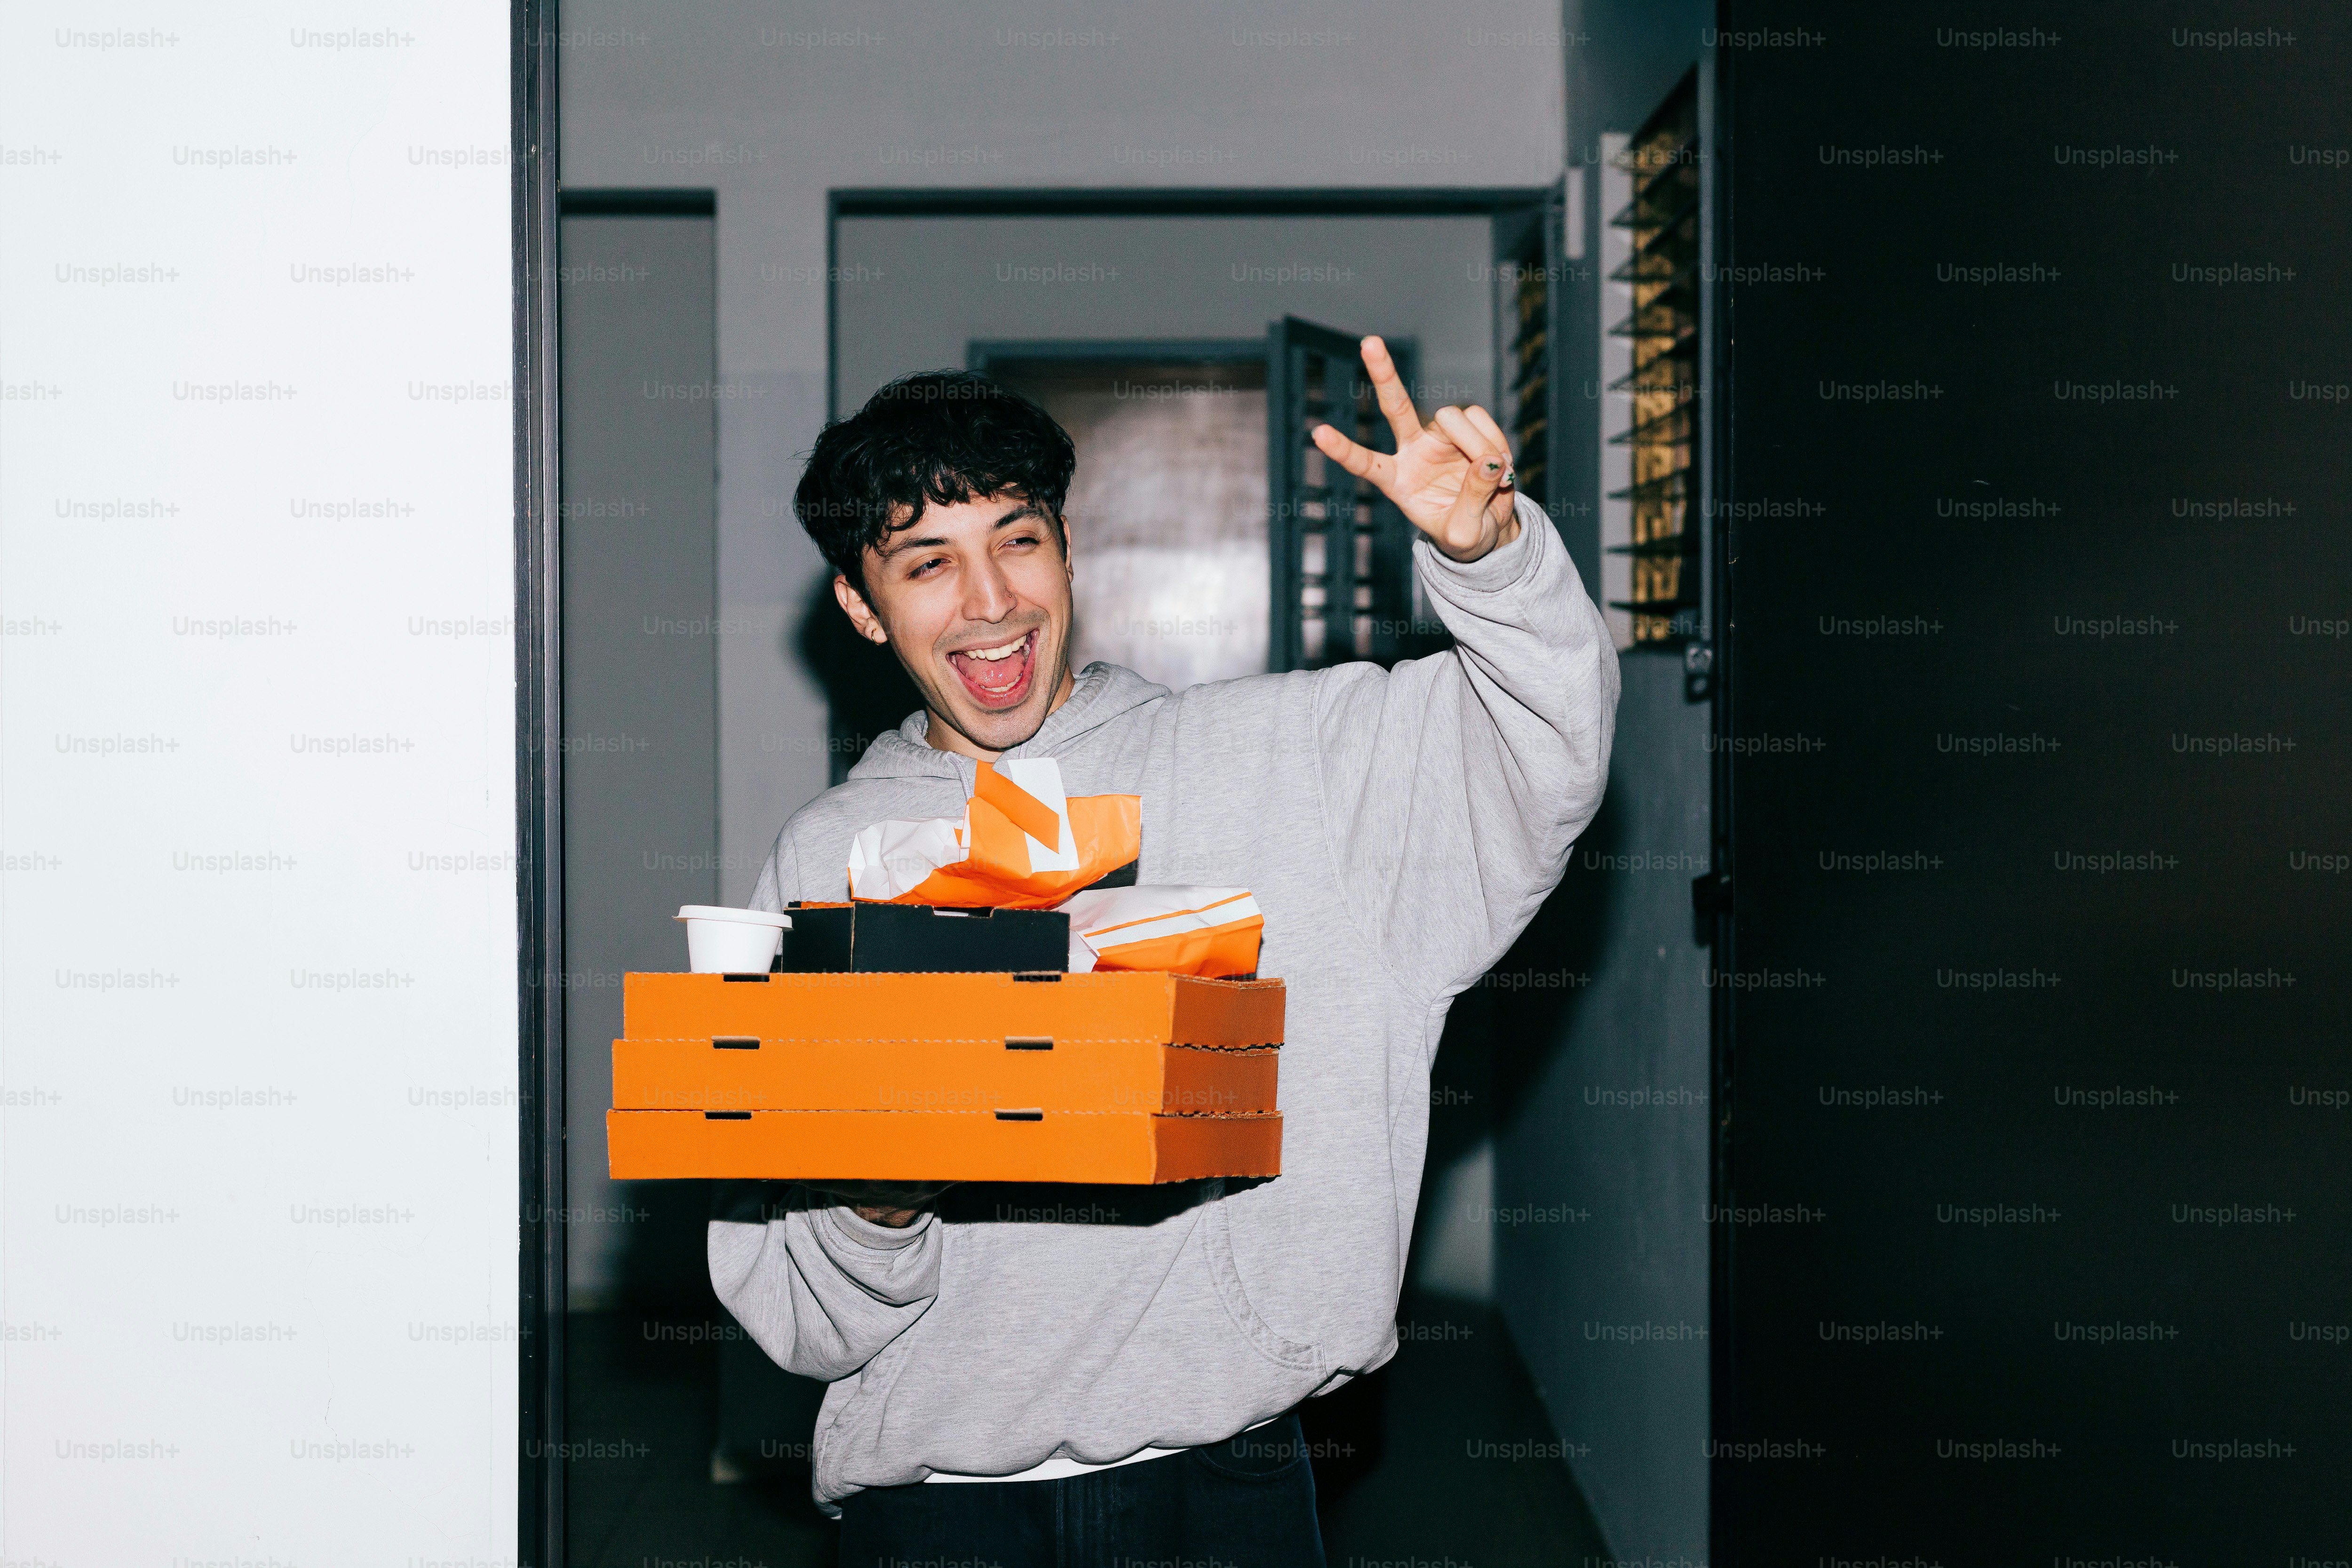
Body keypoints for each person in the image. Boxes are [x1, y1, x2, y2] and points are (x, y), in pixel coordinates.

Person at [714, 339, 1619, 1565]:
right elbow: (797, 1309)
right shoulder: (820, 872)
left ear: (1069, 552)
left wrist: (1492, 560)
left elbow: (1538, 755)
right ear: (865, 609)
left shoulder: (1279, 764)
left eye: (1018, 539)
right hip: (936, 1502)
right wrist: (876, 1203)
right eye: (929, 564)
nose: (990, 601)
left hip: (1229, 1481)